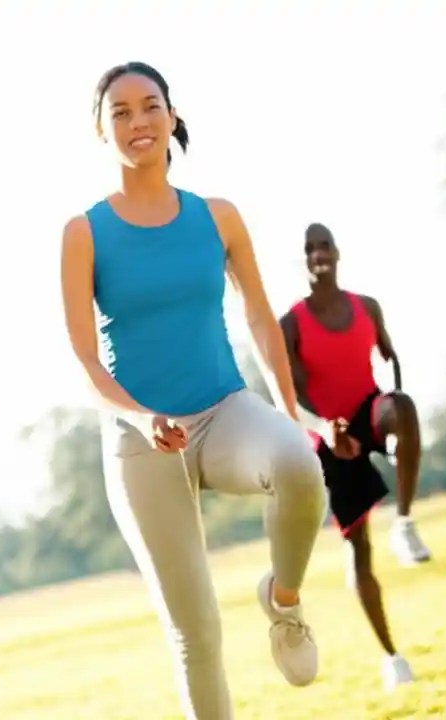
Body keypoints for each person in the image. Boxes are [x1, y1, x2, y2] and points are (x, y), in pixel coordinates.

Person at [59, 62, 327, 719]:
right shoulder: (84, 232)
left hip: (224, 410)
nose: (137, 121)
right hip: (142, 439)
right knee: (197, 633)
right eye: (119, 112)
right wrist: (141, 417)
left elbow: (261, 318)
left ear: (172, 117)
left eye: (150, 106)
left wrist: (288, 413)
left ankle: (284, 603)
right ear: (100, 130)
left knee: (298, 465)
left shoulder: (219, 217)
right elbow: (85, 360)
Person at [280, 223, 429, 689]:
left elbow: (389, 357)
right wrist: (324, 428)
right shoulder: (291, 324)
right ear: (302, 261)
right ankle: (392, 658)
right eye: (309, 249)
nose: (317, 254)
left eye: (324, 245)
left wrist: (396, 399)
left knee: (400, 407)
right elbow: (292, 397)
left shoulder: (367, 307)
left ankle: (404, 525)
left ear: (337, 253)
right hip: (330, 435)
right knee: (359, 549)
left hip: (369, 411)